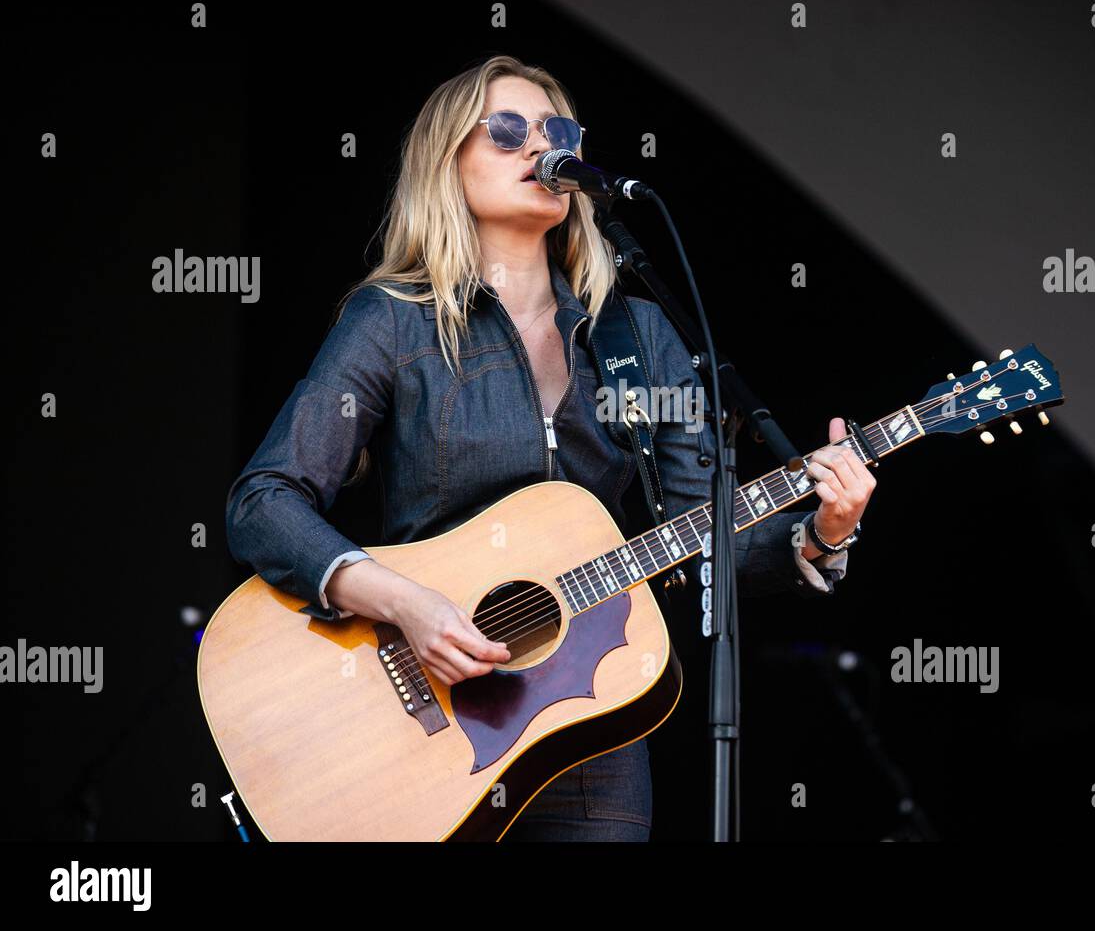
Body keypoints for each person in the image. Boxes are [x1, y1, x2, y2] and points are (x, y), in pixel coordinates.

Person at [225, 54, 875, 841]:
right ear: (447, 161)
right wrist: (407, 603)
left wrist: (821, 532)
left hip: (588, 741)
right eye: (506, 131)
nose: (539, 148)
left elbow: (703, 542)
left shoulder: (637, 335)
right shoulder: (395, 324)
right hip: (415, 740)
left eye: (556, 132)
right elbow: (265, 502)